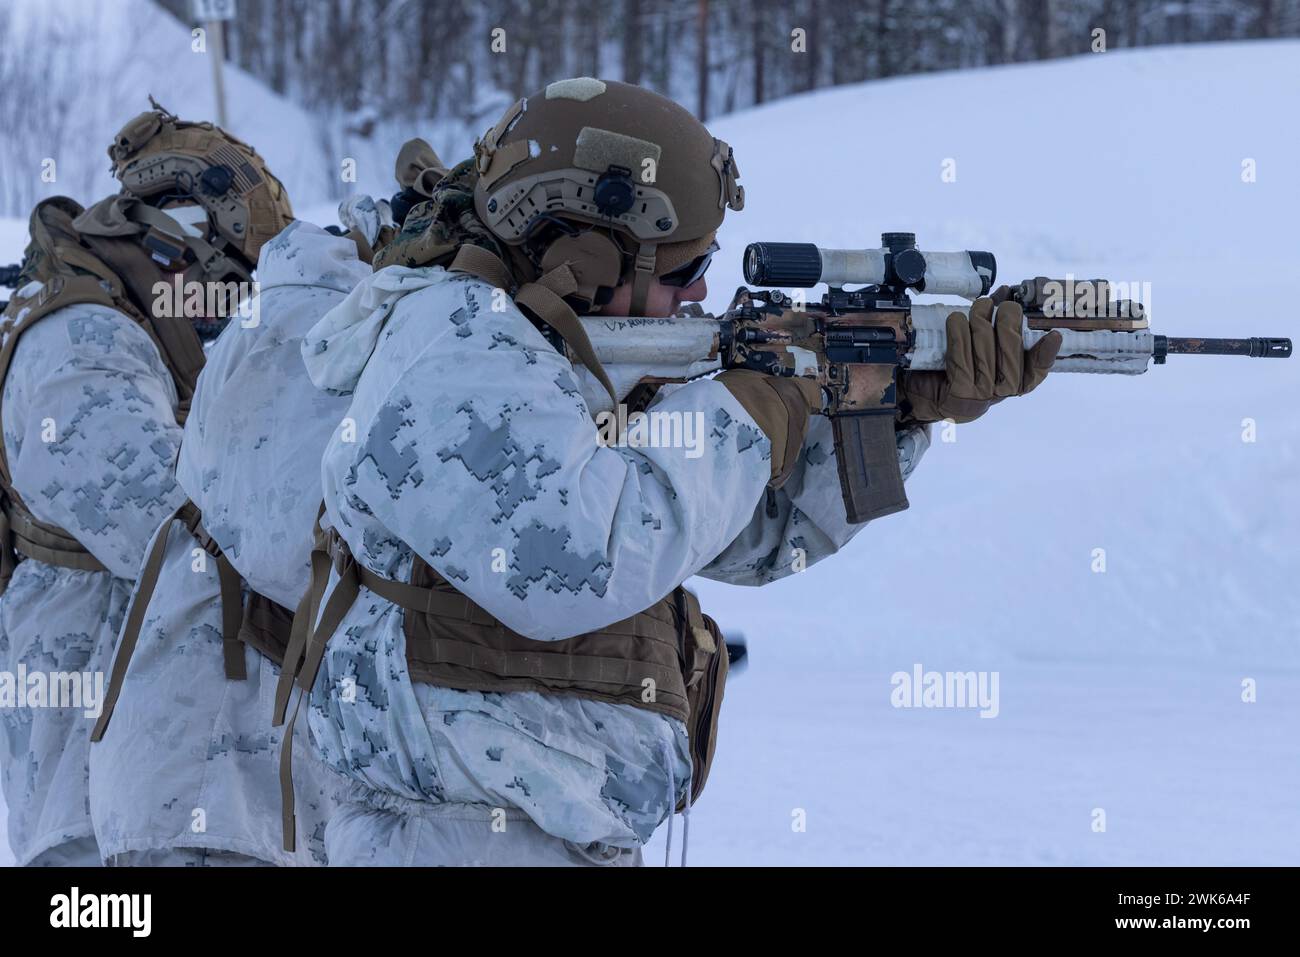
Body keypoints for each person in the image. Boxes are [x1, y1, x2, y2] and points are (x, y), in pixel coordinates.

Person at [286, 77, 1060, 866]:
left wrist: (892, 413)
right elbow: (580, 559)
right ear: (585, 250)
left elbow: (746, 538)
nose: (701, 294)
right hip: (452, 837)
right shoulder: (453, 347)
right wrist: (753, 407)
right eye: (686, 268)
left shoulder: (557, 356)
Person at [87, 140, 444, 866]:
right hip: (207, 795)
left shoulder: (296, 323)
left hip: (223, 795)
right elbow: (297, 554)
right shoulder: (296, 336)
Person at [0, 99, 292, 866]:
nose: (225, 320)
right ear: (172, 250)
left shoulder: (123, 323)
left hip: (134, 769)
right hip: (85, 775)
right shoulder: (82, 338)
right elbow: (166, 518)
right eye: (226, 291)